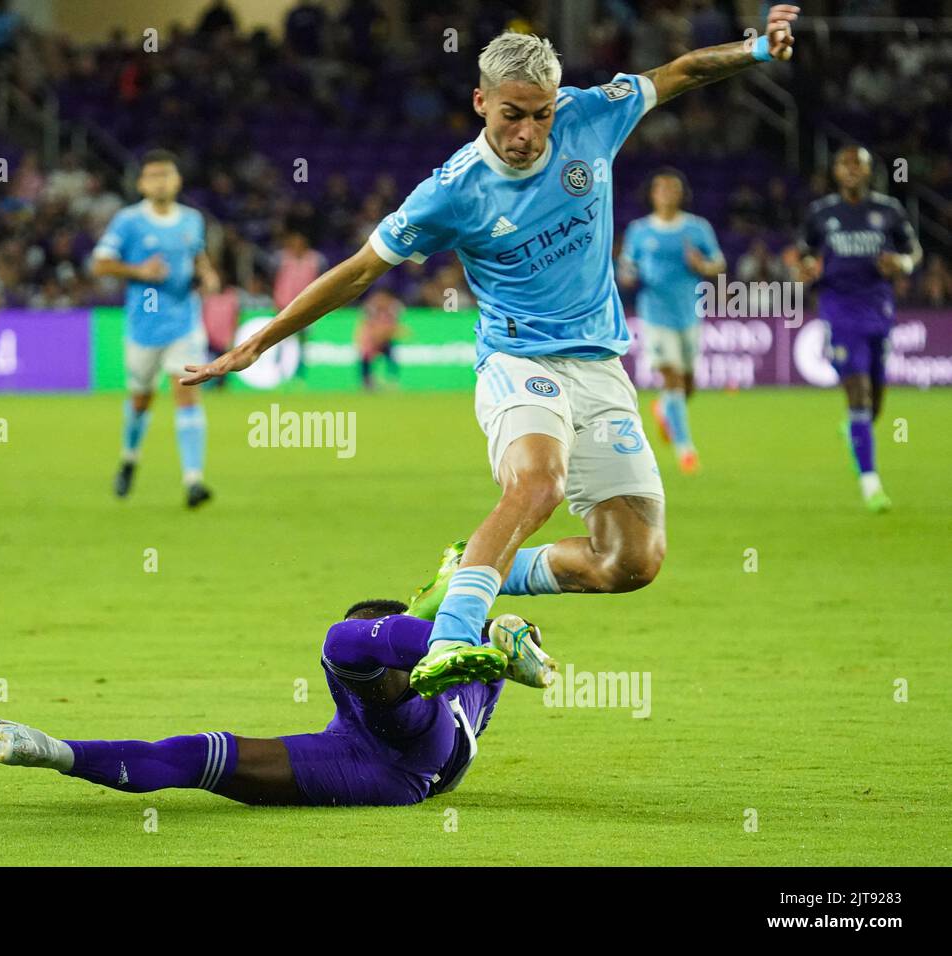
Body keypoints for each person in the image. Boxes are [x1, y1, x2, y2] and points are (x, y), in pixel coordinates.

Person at [184, 9, 799, 697]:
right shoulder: (451, 192)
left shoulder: (590, 117)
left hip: (598, 365)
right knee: (538, 484)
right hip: (518, 361)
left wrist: (757, 48)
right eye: (512, 114)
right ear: (481, 101)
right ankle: (451, 636)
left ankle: (472, 568)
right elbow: (360, 269)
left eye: (540, 116)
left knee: (632, 560)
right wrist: (257, 340)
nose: (528, 133)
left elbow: (679, 72)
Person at [0, 599, 555, 807]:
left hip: (393, 752)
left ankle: (55, 752)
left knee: (344, 643)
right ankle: (51, 751)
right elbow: (509, 620)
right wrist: (512, 635)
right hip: (398, 761)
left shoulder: (354, 656)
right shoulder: (482, 672)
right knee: (199, 758)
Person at [788, 145, 921, 513]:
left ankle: (854, 432)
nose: (851, 170)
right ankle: (871, 484)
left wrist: (904, 264)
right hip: (838, 308)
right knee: (858, 391)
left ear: (868, 171)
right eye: (845, 164)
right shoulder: (822, 213)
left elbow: (914, 251)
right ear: (835, 171)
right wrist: (806, 265)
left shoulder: (888, 211)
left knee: (875, 400)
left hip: (879, 308)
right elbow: (803, 252)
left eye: (858, 164)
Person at [90, 150, 221, 508]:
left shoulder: (192, 220)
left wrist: (207, 274)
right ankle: (130, 458)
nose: (160, 181)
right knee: (141, 399)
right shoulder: (128, 221)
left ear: (177, 180)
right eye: (153, 175)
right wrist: (138, 272)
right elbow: (100, 264)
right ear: (141, 184)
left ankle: (193, 480)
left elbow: (198, 255)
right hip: (143, 326)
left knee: (186, 392)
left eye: (167, 174)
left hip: (184, 322)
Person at [617, 168, 724, 473]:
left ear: (681, 194)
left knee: (689, 385)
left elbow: (719, 264)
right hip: (655, 314)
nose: (666, 193)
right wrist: (628, 275)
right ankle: (685, 449)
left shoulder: (697, 227)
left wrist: (702, 265)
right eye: (660, 188)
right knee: (673, 378)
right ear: (652, 194)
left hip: (689, 312)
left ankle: (664, 408)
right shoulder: (640, 230)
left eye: (672, 189)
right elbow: (626, 267)